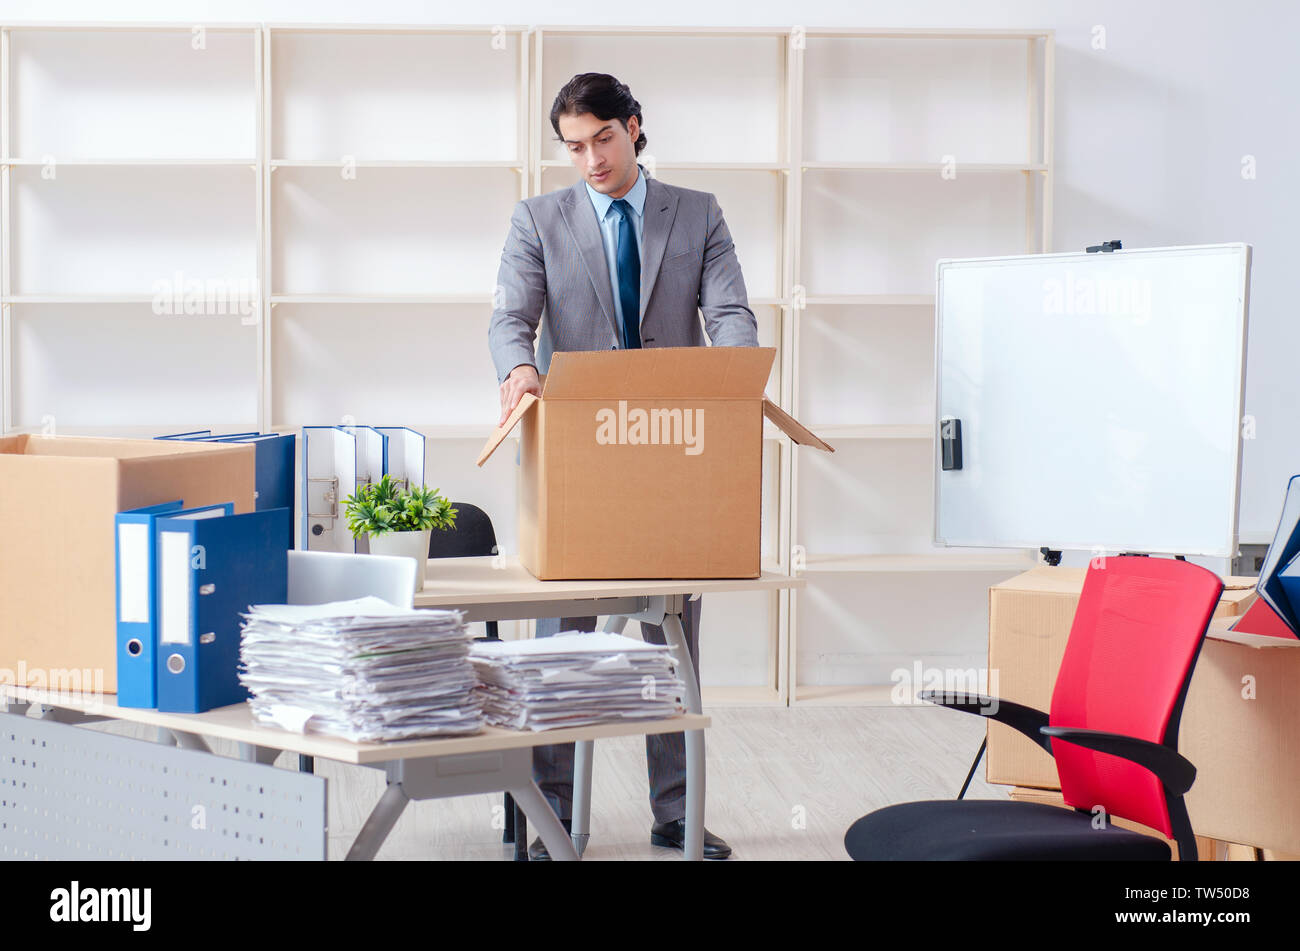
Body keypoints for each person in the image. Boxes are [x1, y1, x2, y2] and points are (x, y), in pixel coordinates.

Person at [488, 72, 758, 859]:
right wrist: (519, 369)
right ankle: (549, 817)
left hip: (675, 446)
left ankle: (676, 813)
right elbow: (511, 315)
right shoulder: (538, 219)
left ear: (634, 127)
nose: (591, 159)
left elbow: (731, 311)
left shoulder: (697, 213)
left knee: (668, 639)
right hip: (575, 448)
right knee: (561, 643)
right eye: (574, 146)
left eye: (603, 138)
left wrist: (734, 375)